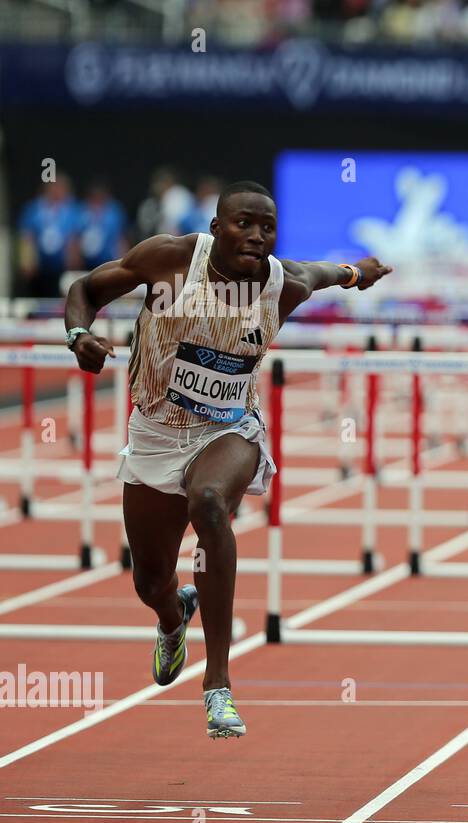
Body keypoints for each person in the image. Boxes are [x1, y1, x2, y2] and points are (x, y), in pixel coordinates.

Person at [64, 180, 392, 738]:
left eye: (267, 227)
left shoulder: (281, 285)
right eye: (244, 223)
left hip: (231, 430)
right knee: (148, 581)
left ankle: (218, 683)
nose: (257, 236)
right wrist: (78, 336)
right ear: (216, 227)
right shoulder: (168, 259)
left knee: (210, 503)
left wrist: (360, 273)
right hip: (155, 433)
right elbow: (85, 290)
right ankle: (173, 618)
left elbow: (326, 272)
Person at [19, 177, 82, 298]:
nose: (56, 191)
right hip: (39, 268)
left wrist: (74, 260)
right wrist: (26, 260)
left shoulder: (72, 209)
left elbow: (75, 237)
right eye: (53, 187)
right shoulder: (34, 208)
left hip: (62, 267)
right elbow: (27, 237)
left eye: (59, 187)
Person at [77, 179, 129, 271]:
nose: (98, 198)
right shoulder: (82, 210)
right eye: (95, 195)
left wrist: (122, 259)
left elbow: (121, 236)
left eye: (100, 195)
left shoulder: (114, 210)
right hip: (85, 262)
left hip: (108, 261)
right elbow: (75, 236)